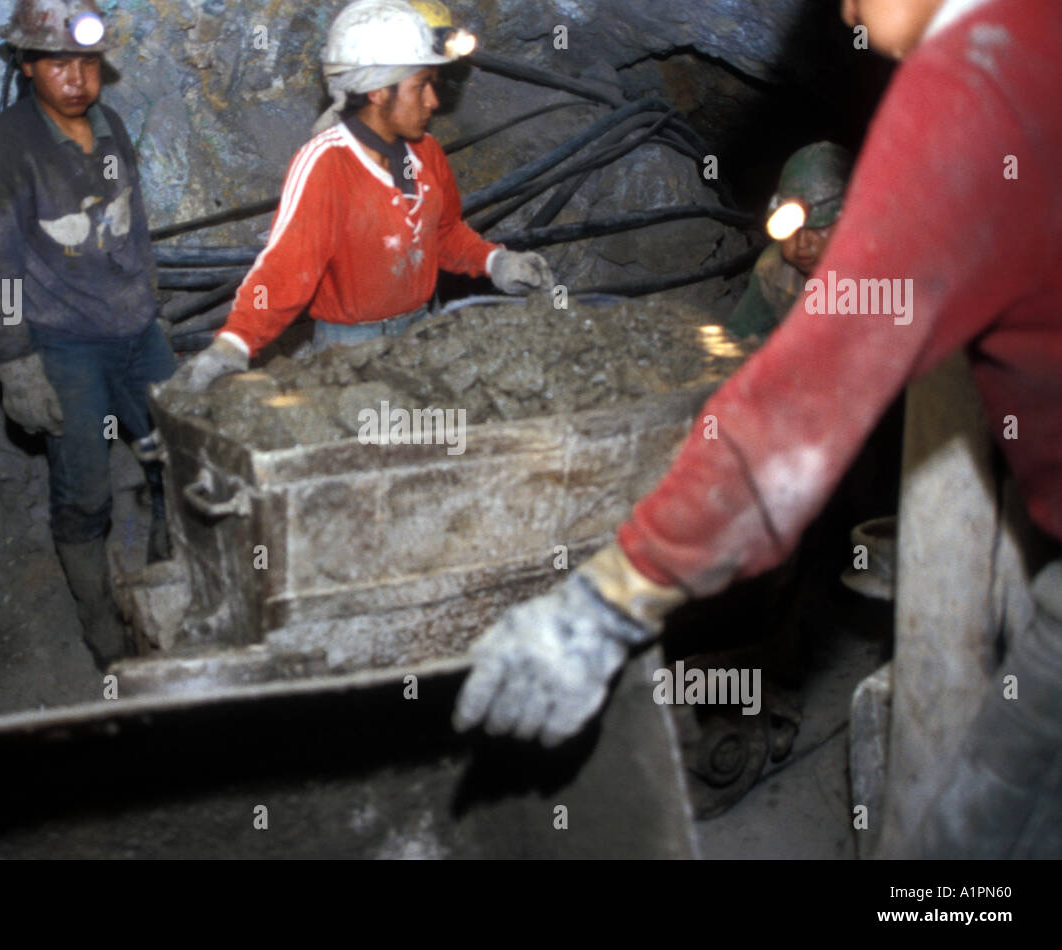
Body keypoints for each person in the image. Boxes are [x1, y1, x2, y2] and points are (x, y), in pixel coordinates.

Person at [454, 0, 1062, 858]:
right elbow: (747, 358)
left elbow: (800, 414)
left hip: (884, 466)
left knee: (965, 852)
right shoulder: (1030, 46)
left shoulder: (971, 89)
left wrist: (609, 602)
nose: (846, 8)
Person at [160, 0, 554, 395]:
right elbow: (281, 271)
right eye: (421, 86)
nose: (433, 102)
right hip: (349, 354)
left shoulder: (425, 152)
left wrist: (495, 260)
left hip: (423, 335)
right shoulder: (327, 164)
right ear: (378, 92)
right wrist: (234, 343)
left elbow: (443, 232)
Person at [0, 0, 175, 670]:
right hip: (65, 346)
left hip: (136, 331)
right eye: (59, 62)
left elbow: (135, 227)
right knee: (84, 493)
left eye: (86, 61)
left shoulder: (110, 125)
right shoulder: (3, 148)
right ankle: (101, 624)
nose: (77, 77)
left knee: (177, 456)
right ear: (27, 65)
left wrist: (154, 308)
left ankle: (172, 581)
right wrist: (16, 362)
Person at [727, 142, 852, 338]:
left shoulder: (890, 277)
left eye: (818, 228)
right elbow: (738, 339)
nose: (802, 244)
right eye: (791, 230)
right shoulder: (774, 269)